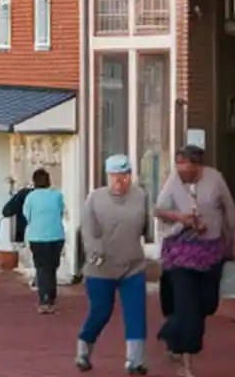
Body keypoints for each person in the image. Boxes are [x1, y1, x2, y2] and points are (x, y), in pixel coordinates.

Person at [154, 144, 235, 377]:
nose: (182, 171)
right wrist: (180, 218)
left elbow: (230, 212)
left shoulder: (215, 180)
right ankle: (186, 363)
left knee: (207, 303)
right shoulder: (174, 181)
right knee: (188, 306)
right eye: (179, 166)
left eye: (186, 167)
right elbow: (159, 210)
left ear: (198, 165)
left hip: (210, 250)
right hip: (181, 251)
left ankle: (171, 330)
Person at [76, 154, 154, 375]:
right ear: (107, 177)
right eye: (115, 177)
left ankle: (135, 361)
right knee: (101, 311)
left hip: (132, 265)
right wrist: (94, 249)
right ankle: (84, 348)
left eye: (125, 177)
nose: (120, 183)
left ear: (131, 175)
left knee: (136, 312)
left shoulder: (140, 196)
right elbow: (88, 231)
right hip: (101, 267)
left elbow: (146, 226)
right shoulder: (95, 199)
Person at [22, 168, 66, 314]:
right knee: (52, 268)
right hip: (56, 235)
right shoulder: (57, 195)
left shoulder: (31, 197)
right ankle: (51, 298)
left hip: (37, 236)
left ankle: (44, 300)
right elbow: (61, 212)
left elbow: (27, 215)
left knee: (41, 268)